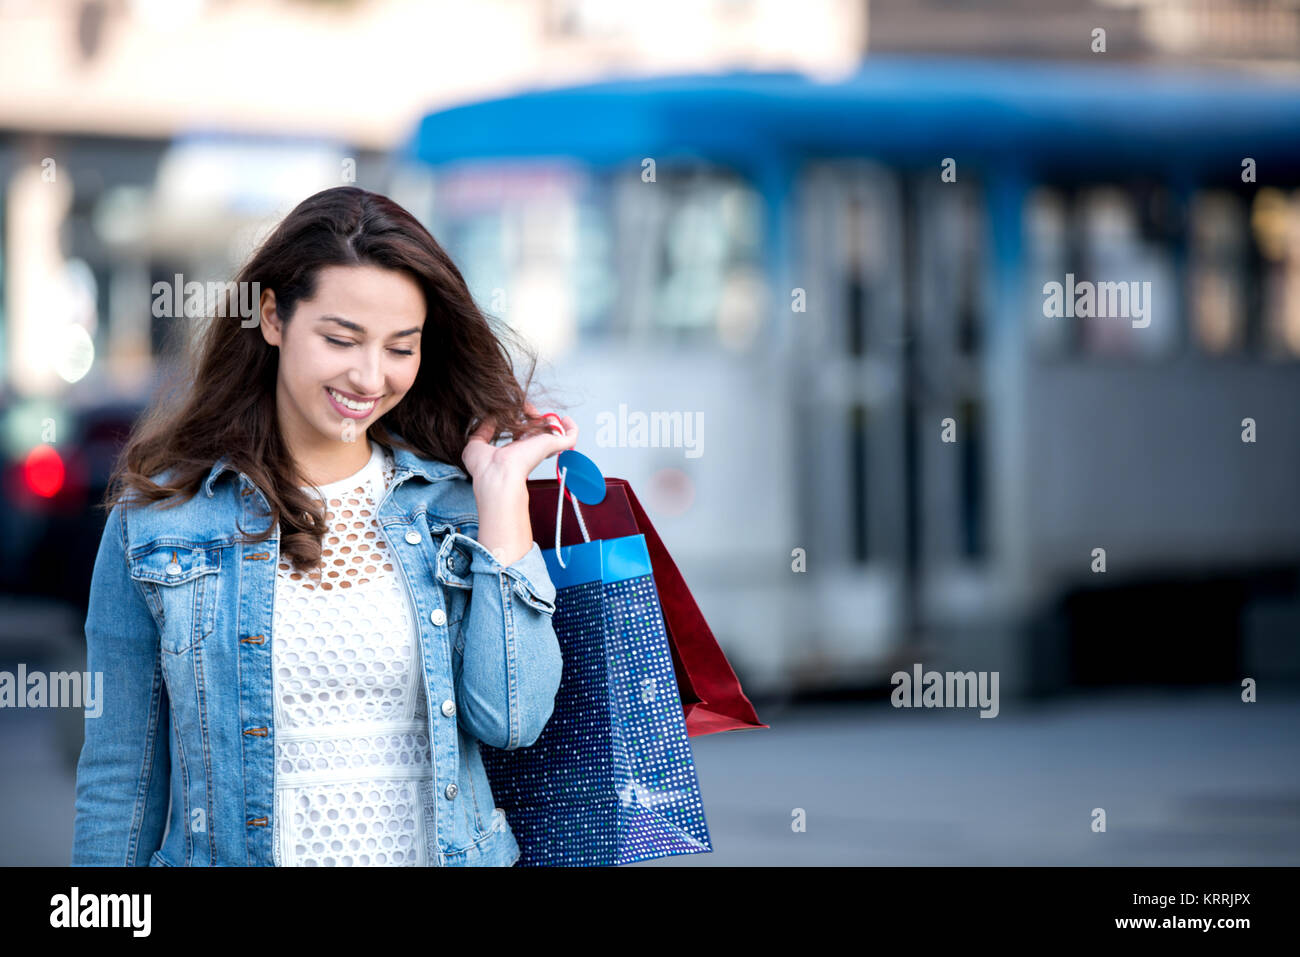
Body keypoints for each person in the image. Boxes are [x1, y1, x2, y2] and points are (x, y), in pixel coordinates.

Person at [71, 185, 577, 866]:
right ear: (274, 317)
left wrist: (501, 493)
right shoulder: (163, 518)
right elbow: (119, 781)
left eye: (401, 347)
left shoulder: (452, 509)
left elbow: (513, 718)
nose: (369, 376)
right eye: (341, 338)